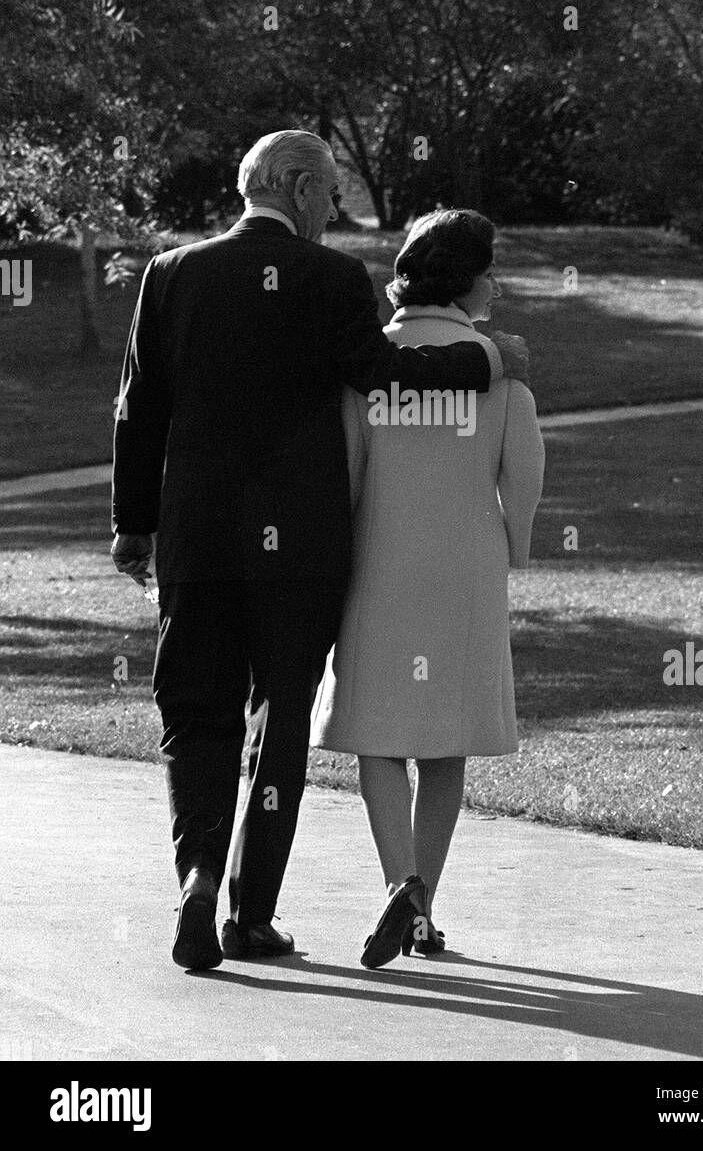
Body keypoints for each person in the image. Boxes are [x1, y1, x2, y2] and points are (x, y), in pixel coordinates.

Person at [110, 130, 531, 971]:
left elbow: (137, 408)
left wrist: (133, 525)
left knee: (195, 715)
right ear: (299, 189)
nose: (335, 210)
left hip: (197, 535)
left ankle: (194, 874)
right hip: (298, 548)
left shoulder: (172, 273)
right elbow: (382, 371)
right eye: (331, 193)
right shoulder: (333, 279)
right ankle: (249, 913)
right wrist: (488, 357)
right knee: (279, 720)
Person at [310, 209, 545, 968]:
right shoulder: (497, 368)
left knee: (379, 737)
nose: (497, 283)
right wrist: (516, 547)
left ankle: (397, 884)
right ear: (468, 279)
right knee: (447, 743)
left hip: (378, 564)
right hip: (464, 570)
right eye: (491, 270)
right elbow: (525, 480)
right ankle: (422, 913)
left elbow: (343, 474)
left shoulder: (368, 365)